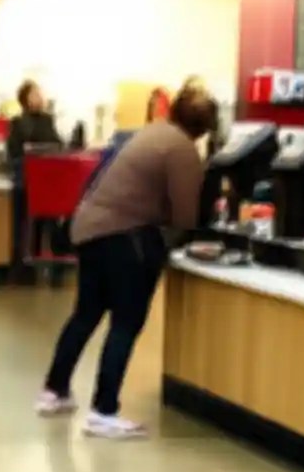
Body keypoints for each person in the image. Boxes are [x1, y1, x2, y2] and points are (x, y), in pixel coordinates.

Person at [36, 86, 217, 439]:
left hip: (89, 229)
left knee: (86, 314)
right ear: (205, 127)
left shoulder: (151, 133)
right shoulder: (182, 149)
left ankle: (54, 391)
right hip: (126, 237)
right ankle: (104, 411)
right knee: (125, 322)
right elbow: (185, 216)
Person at [6, 80, 64, 284]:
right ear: (25, 99)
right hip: (25, 181)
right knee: (22, 227)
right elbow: (13, 152)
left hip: (46, 182)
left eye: (40, 93)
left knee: (49, 226)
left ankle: (51, 268)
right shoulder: (17, 123)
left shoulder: (48, 120)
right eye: (35, 94)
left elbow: (57, 144)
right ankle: (21, 268)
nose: (40, 97)